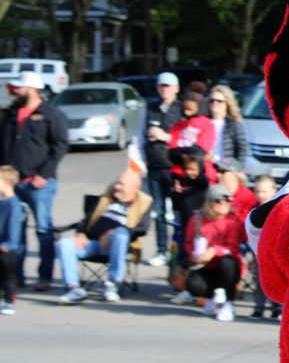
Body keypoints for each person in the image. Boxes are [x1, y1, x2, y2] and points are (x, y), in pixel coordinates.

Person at [0, 71, 68, 290]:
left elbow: (60, 145)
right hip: (12, 183)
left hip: (39, 183)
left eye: (18, 87)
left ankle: (44, 277)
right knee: (14, 231)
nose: (14, 91)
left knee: (43, 230)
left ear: (31, 89)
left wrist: (44, 174)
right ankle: (15, 277)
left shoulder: (50, 113)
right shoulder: (11, 113)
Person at [57, 170, 151, 304]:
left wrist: (114, 231)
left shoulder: (144, 203)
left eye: (121, 184)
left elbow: (143, 229)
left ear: (134, 188)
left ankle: (113, 285)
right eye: (117, 183)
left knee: (121, 235)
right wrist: (81, 234)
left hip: (117, 245)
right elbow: (85, 221)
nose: (116, 187)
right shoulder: (105, 199)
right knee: (64, 244)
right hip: (92, 244)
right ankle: (73, 289)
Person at [183, 183, 246, 322]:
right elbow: (188, 241)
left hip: (227, 266)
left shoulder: (232, 221)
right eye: (218, 200)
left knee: (227, 263)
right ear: (209, 201)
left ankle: (228, 303)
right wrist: (193, 254)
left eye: (227, 200)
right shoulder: (197, 219)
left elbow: (233, 249)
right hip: (205, 265)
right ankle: (210, 296)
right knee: (194, 286)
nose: (223, 203)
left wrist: (214, 250)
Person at [143, 71, 183, 267]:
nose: (164, 89)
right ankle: (161, 250)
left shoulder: (181, 109)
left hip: (174, 168)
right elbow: (140, 136)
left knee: (176, 213)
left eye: (168, 86)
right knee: (158, 212)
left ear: (176, 89)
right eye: (162, 86)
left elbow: (186, 138)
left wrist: (165, 137)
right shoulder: (151, 108)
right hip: (154, 167)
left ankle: (177, 251)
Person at [248, 174, 282, 320]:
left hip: (275, 250)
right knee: (259, 280)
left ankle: (277, 308)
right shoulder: (254, 209)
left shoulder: (278, 207)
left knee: (277, 279)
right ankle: (259, 307)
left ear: (274, 191)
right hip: (259, 250)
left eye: (264, 192)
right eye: (257, 192)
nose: (260, 195)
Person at [206, 85, 249, 170]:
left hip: (226, 168)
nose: (215, 103)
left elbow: (242, 149)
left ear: (227, 103)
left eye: (219, 101)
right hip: (206, 167)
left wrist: (237, 168)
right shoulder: (203, 122)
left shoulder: (234, 124)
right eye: (212, 100)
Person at [0, 165, 23, 314]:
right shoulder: (2, 202)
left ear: (7, 182)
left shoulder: (14, 204)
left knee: (8, 276)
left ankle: (9, 301)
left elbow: (14, 229)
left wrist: (8, 245)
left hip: (7, 249)